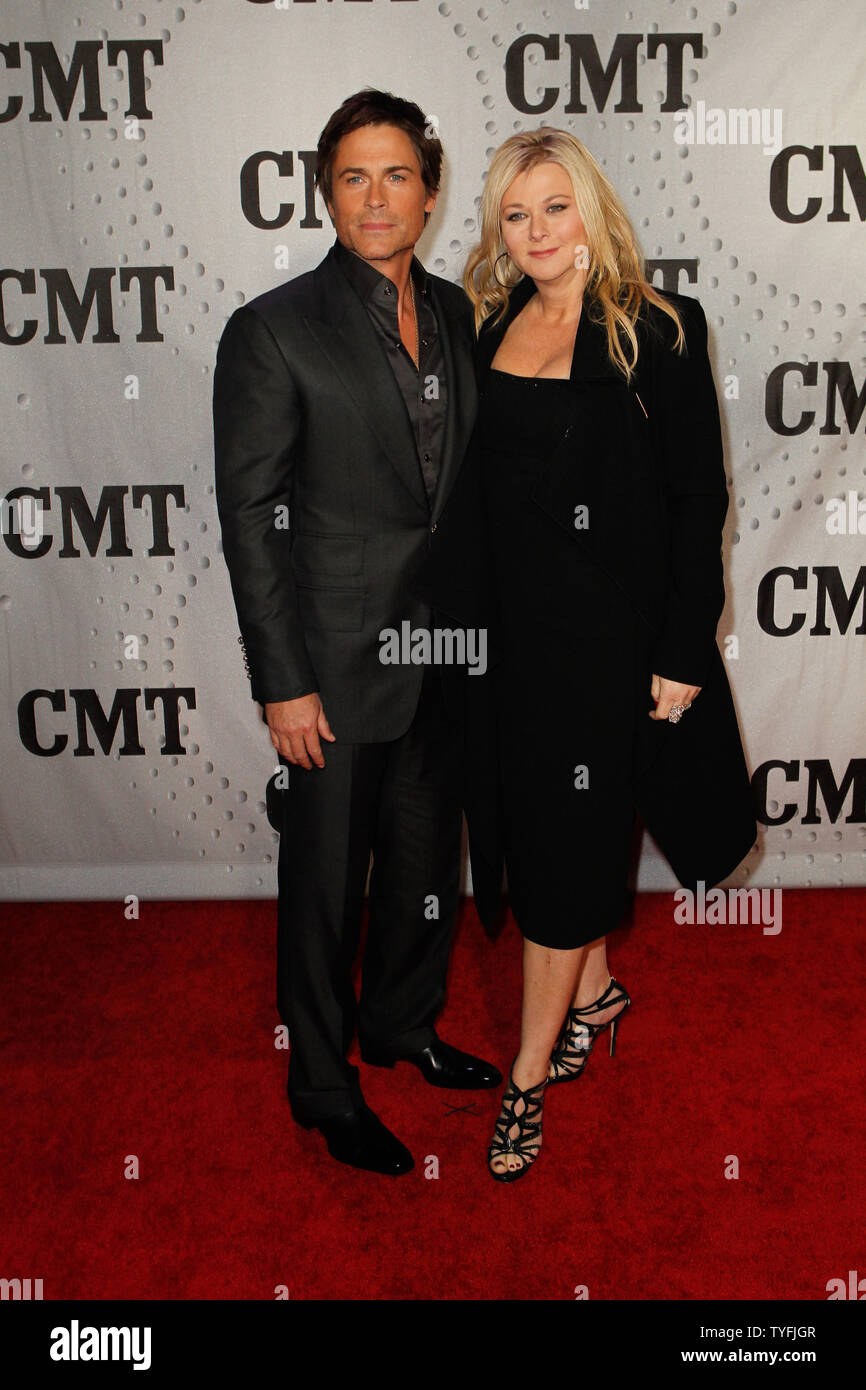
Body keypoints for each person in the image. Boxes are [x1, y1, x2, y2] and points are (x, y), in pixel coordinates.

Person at [213, 89, 501, 1178]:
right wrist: (281, 683)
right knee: (325, 888)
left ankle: (401, 1025)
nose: (374, 198)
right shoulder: (273, 330)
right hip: (332, 668)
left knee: (430, 863)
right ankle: (322, 1086)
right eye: (351, 176)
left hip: (443, 657)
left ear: (428, 193)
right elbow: (250, 518)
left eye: (396, 176)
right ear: (323, 191)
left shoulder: (464, 316)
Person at [462, 128, 757, 1182]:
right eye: (514, 213)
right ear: (497, 229)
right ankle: (594, 994)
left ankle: (527, 1079)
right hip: (510, 648)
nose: (537, 231)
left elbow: (696, 499)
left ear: (590, 208)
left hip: (610, 650)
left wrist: (680, 646)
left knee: (560, 856)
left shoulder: (655, 331)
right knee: (554, 846)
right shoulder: (486, 322)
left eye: (555, 205)